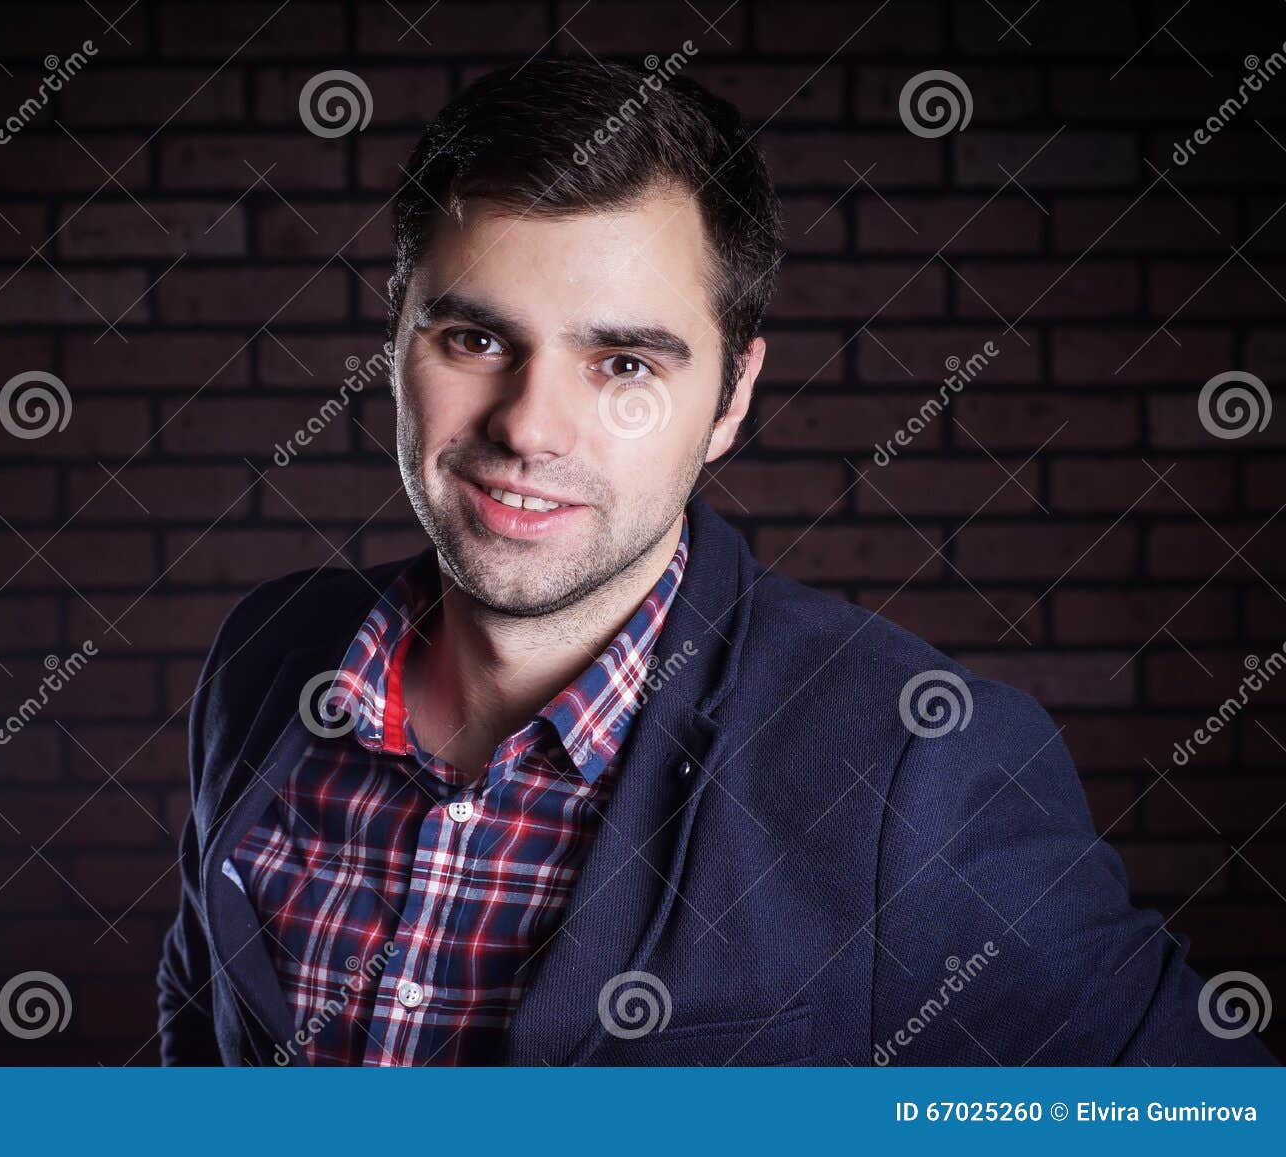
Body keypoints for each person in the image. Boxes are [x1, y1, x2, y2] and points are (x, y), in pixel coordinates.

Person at [157, 59, 1275, 1067]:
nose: (529, 426)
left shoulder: (912, 764)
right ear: (396, 340)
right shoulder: (271, 655)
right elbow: (200, 1031)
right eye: (477, 339)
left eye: (624, 363)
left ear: (732, 398)